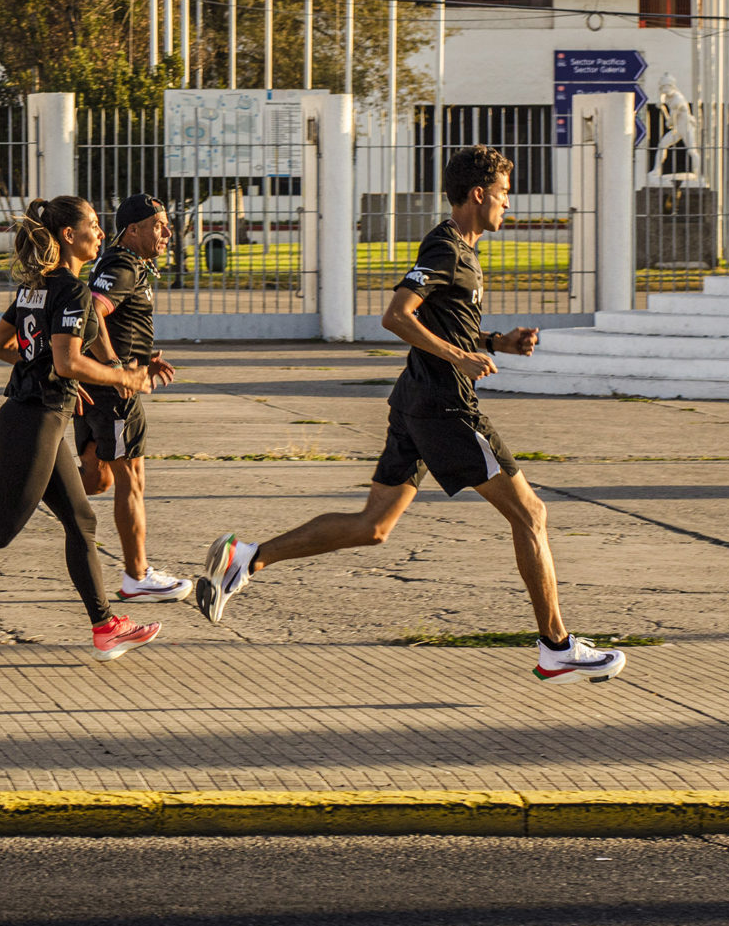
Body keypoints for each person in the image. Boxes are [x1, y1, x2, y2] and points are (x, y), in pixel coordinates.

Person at [198, 144, 627, 685]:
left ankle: (249, 557)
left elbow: (447, 326)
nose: (507, 206)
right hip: (445, 405)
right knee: (531, 514)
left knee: (373, 526)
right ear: (478, 194)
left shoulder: (461, 252)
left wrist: (497, 341)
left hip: (415, 400)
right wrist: (460, 357)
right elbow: (396, 317)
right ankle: (557, 647)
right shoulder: (446, 247)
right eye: (503, 195)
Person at [0, 196, 174, 659]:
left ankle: (105, 626)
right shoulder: (71, 290)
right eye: (94, 226)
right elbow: (67, 360)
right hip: (34, 420)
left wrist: (49, 371)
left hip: (35, 413)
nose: (101, 234)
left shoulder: (34, 286)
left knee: (82, 519)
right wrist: (121, 375)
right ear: (69, 235)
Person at [75, 194, 194, 605]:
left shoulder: (129, 266)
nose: (167, 232)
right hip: (113, 391)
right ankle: (137, 576)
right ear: (133, 230)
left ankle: (8, 485)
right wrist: (117, 365)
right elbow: (92, 310)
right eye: (158, 225)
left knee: (97, 478)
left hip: (103, 386)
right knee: (132, 480)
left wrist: (144, 357)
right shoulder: (123, 265)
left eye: (166, 224)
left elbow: (115, 318)